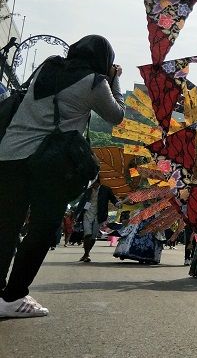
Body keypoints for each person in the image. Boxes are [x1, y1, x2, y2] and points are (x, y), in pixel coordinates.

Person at [0, 35, 124, 318]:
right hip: (49, 162)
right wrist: (113, 77)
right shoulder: (95, 82)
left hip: (8, 154)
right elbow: (116, 115)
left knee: (5, 226)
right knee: (42, 229)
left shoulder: (49, 66)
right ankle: (13, 296)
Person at [75, 178, 119, 263]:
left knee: (93, 237)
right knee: (87, 234)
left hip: (99, 216)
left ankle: (86, 253)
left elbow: (113, 199)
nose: (90, 183)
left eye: (92, 182)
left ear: (97, 182)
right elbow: (82, 203)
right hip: (87, 214)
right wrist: (76, 214)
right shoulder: (88, 191)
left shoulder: (106, 189)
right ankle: (86, 254)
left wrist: (117, 204)